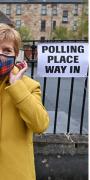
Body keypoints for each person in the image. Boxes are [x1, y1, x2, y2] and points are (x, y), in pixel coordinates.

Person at [0, 23, 49, 180]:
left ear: (15, 55)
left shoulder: (29, 86)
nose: (0, 55)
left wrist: (17, 88)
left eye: (6, 50)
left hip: (16, 174)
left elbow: (40, 124)